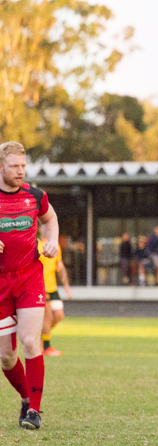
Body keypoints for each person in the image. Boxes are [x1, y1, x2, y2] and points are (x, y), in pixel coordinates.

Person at [0, 141, 59, 430]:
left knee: (30, 341)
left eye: (23, 166)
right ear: (1, 167)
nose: (20, 171)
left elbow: (50, 218)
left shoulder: (35, 195)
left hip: (29, 276)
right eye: (14, 166)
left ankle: (34, 411)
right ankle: (25, 398)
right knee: (7, 357)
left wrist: (53, 240)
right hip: (0, 283)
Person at [38, 236, 72, 357]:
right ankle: (46, 347)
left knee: (59, 315)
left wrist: (66, 285)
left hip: (53, 287)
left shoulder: (55, 246)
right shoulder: (36, 244)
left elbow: (60, 266)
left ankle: (39, 338)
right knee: (47, 315)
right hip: (40, 285)